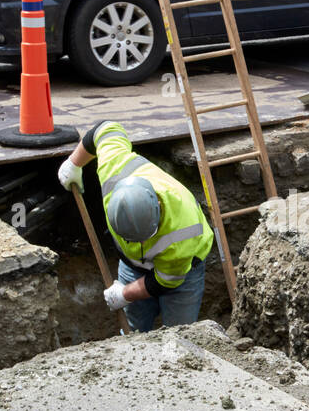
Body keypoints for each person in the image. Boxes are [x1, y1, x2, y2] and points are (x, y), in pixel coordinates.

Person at [58, 121, 214, 332]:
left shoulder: (182, 232)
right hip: (133, 266)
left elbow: (165, 281)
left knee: (180, 336)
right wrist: (74, 164)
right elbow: (105, 129)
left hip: (183, 274)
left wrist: (125, 294)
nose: (141, 243)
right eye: (132, 239)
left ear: (158, 206)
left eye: (145, 236)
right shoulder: (114, 170)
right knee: (133, 335)